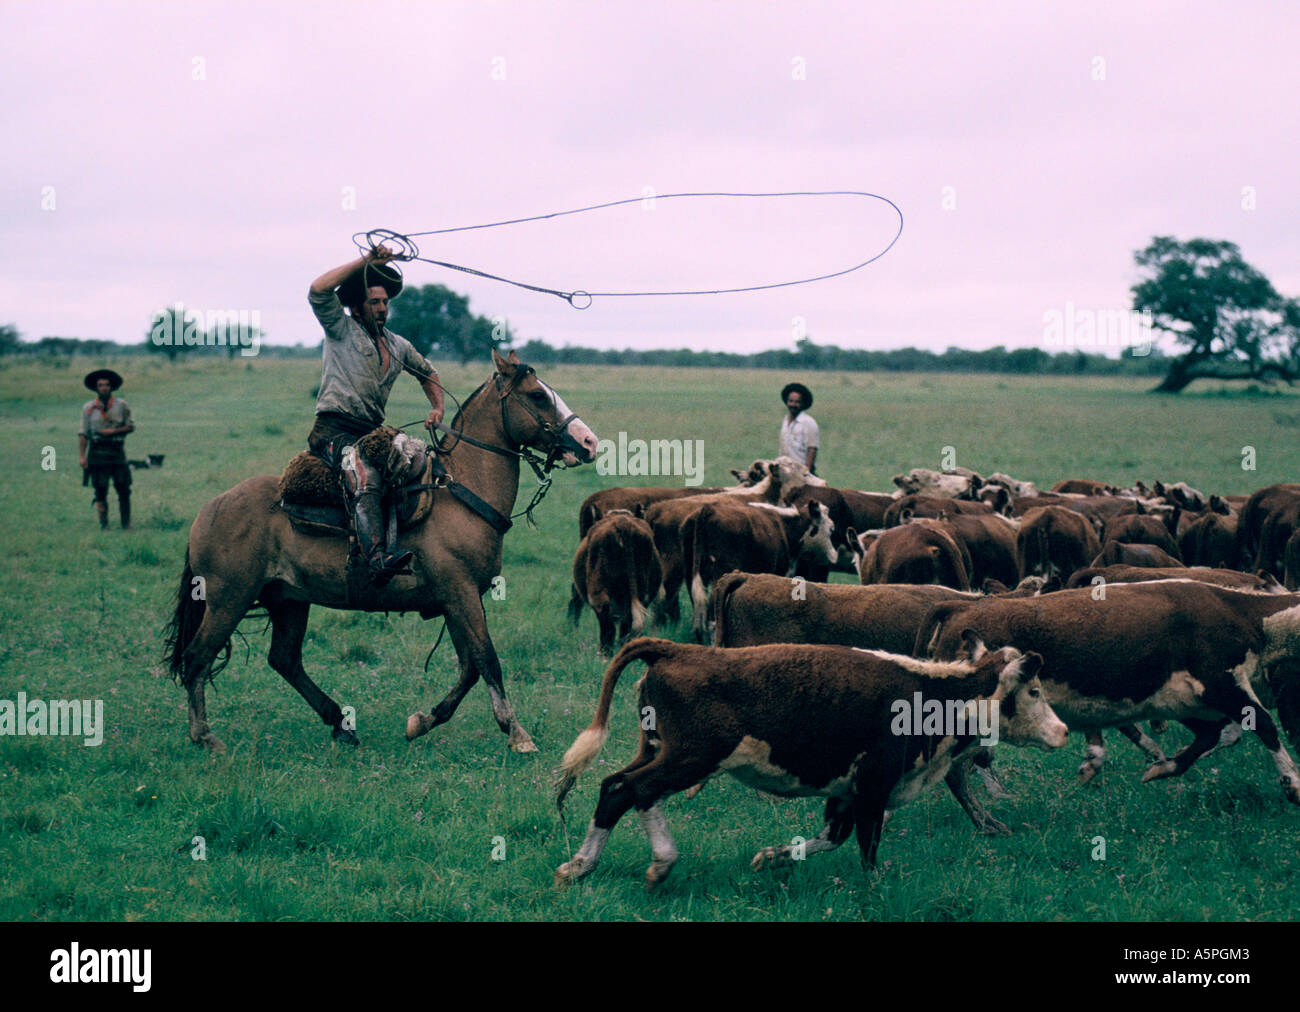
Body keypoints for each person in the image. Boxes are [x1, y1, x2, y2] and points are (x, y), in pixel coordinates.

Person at [307, 247, 445, 588]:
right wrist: (364, 262)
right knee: (363, 472)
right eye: (374, 302)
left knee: (417, 459)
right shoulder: (340, 328)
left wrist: (437, 407)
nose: (382, 309)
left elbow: (428, 373)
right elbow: (318, 290)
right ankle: (375, 560)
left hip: (370, 433)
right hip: (332, 432)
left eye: (385, 302)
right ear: (357, 306)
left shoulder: (398, 345)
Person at [79, 368, 135, 530]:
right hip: (97, 453)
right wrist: (82, 457)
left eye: (107, 384)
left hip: (117, 452)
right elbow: (83, 433)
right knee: (100, 490)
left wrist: (114, 431)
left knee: (124, 489)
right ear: (96, 388)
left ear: (112, 387)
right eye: (100, 385)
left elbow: (131, 427)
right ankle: (104, 525)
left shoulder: (122, 405)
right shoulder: (88, 408)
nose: (104, 387)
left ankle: (126, 524)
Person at [778, 382, 819, 475]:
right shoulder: (785, 420)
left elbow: (812, 449)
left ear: (803, 404)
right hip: (784, 471)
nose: (793, 404)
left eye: (797, 402)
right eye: (791, 401)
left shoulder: (809, 422)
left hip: (800, 473)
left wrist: (806, 473)